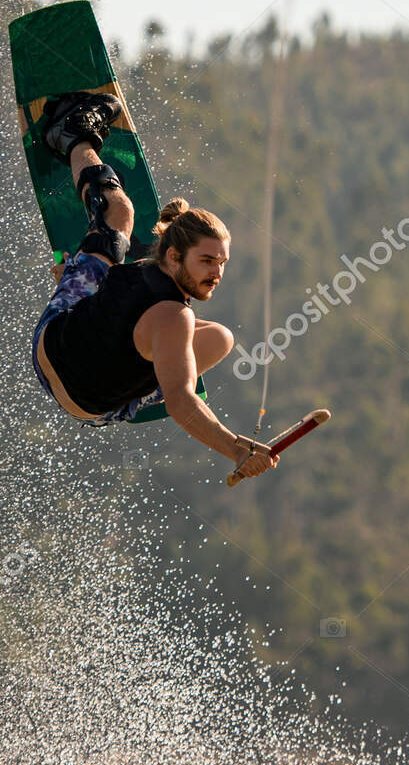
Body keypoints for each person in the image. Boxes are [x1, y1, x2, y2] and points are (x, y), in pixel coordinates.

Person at [28, 91, 277, 482]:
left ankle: (74, 136)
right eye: (207, 262)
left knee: (118, 213)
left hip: (52, 340)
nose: (217, 274)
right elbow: (181, 402)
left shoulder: (140, 271)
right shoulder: (174, 317)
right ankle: (158, 368)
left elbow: (105, 298)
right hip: (84, 403)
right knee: (217, 341)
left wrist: (70, 276)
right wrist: (235, 449)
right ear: (175, 256)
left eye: (221, 263)